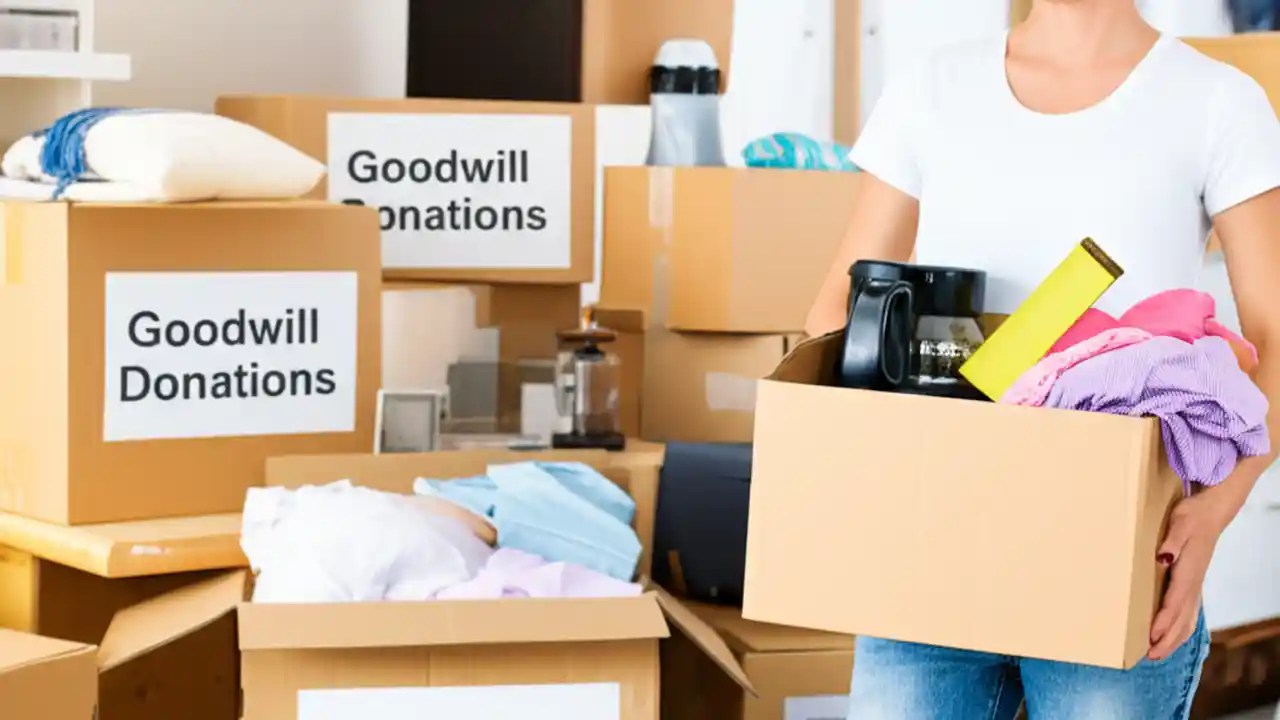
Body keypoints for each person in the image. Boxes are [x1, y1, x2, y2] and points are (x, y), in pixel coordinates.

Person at [805, 0, 1280, 717]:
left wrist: (1213, 514)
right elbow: (837, 312)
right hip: (932, 554)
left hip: (1114, 563)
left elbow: (1275, 340)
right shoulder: (933, 87)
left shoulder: (1216, 102)